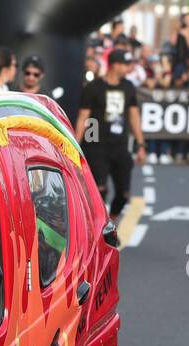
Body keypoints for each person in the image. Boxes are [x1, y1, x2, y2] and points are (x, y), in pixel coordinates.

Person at [75, 48, 145, 221]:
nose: (128, 68)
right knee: (99, 191)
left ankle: (110, 223)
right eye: (125, 64)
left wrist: (141, 144)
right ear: (115, 65)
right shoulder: (93, 87)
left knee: (124, 194)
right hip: (95, 144)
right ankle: (98, 229)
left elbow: (134, 115)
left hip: (120, 145)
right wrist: (75, 145)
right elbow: (83, 117)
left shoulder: (128, 87)